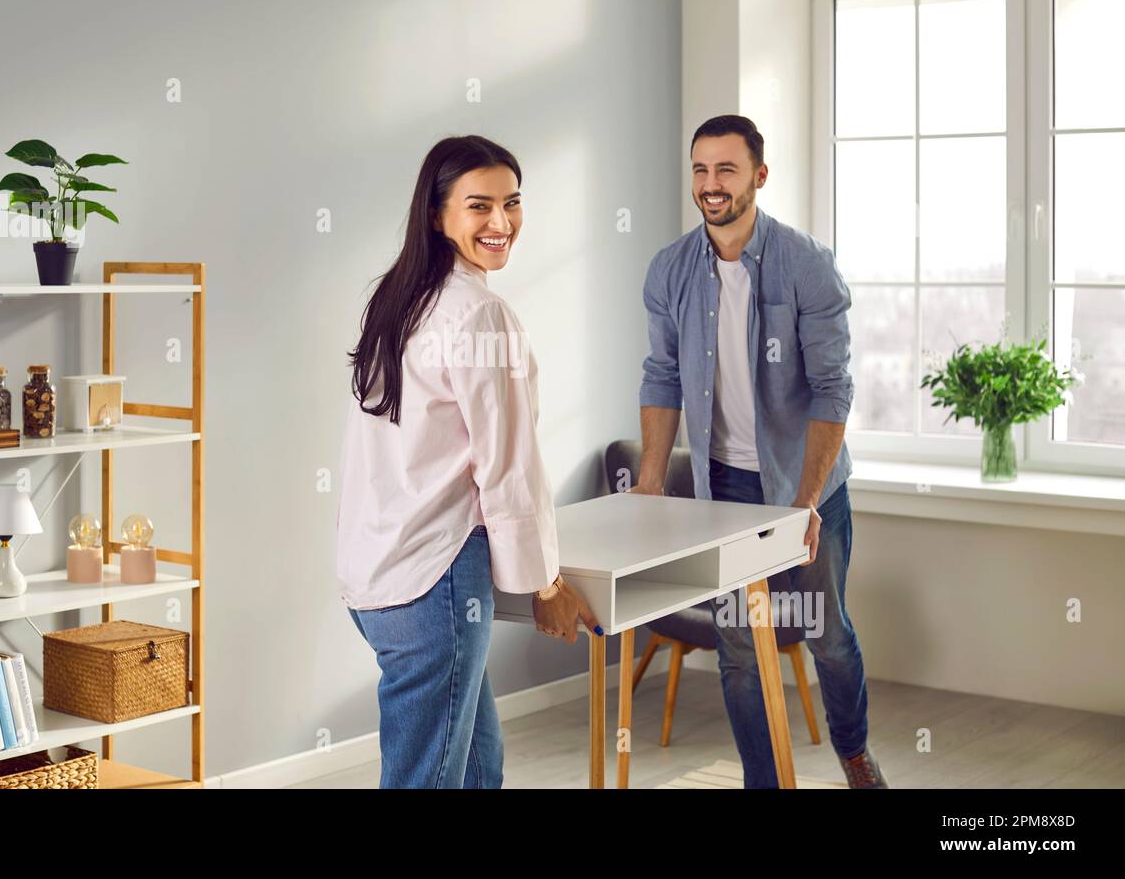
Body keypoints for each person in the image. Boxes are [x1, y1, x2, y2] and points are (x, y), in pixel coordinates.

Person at [336, 134, 600, 789]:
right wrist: (546, 585)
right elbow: (507, 465)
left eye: (512, 204)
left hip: (378, 570)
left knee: (479, 767)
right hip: (436, 582)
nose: (501, 223)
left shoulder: (398, 300)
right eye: (479, 206)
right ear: (437, 213)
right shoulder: (480, 314)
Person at [634, 115, 886, 789]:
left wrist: (804, 505)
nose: (710, 185)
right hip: (723, 491)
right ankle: (763, 782)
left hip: (806, 486)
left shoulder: (807, 265)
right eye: (700, 170)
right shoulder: (671, 270)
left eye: (726, 170)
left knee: (827, 637)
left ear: (759, 177)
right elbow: (661, 376)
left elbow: (833, 390)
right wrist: (652, 481)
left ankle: (855, 754)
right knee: (741, 652)